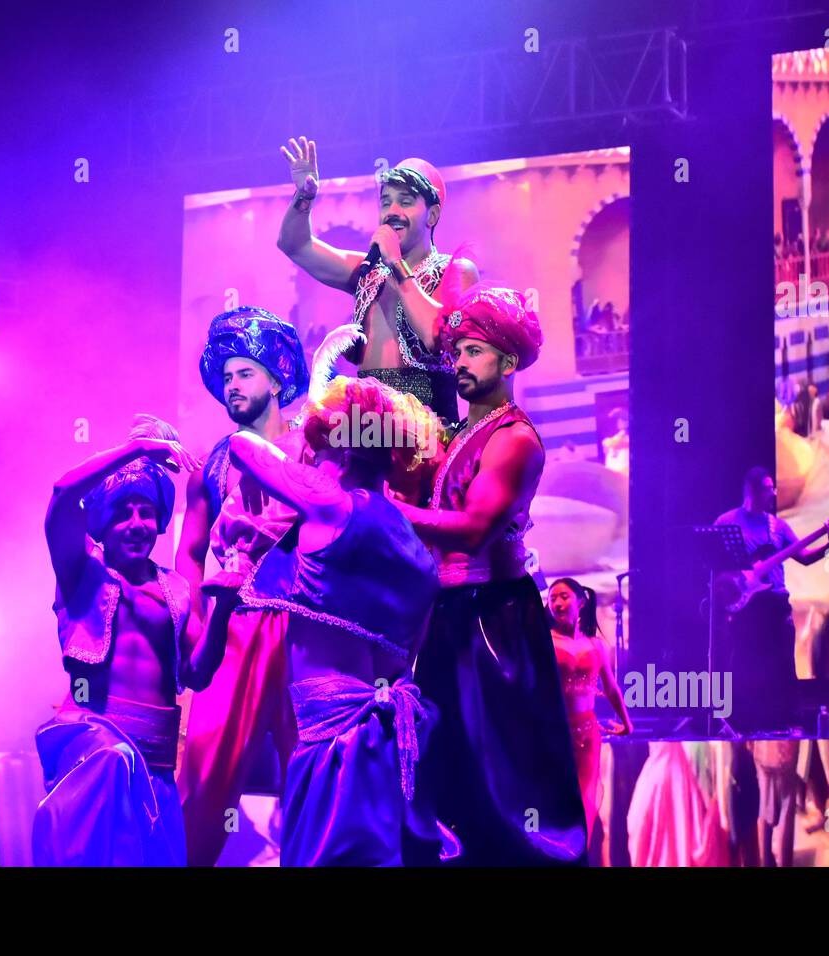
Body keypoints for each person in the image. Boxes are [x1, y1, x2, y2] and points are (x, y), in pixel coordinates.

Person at [205, 326, 443, 865]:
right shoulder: (416, 549)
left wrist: (308, 426)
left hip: (333, 745)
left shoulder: (331, 503)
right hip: (394, 740)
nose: (310, 453)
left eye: (320, 442)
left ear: (344, 446)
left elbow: (243, 446)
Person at [394, 285, 587, 866]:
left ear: (507, 362)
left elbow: (475, 527)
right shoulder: (462, 436)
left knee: (501, 767)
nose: (459, 363)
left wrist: (386, 509)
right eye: (456, 353)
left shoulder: (515, 439)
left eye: (474, 352)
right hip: (450, 614)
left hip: (495, 616)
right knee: (447, 761)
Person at [32, 415, 200, 866]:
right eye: (122, 511)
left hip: (160, 760)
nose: (136, 522)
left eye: (146, 511)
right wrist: (135, 451)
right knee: (113, 773)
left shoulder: (177, 588)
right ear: (102, 523)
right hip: (96, 743)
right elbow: (63, 495)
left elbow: (199, 673)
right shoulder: (81, 572)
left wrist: (224, 602)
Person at [175, 306, 310, 867]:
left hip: (307, 627)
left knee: (310, 765)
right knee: (204, 770)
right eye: (226, 376)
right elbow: (188, 550)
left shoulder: (316, 447)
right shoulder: (213, 462)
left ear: (276, 378)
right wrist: (193, 618)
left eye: (245, 373)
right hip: (233, 624)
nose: (232, 385)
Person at [276, 136, 478, 423]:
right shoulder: (367, 270)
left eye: (405, 202)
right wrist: (304, 197)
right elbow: (295, 245)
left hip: (433, 432)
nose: (392, 211)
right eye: (386, 202)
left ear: (432, 215)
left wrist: (397, 264)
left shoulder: (455, 270)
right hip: (369, 431)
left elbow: (438, 337)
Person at [714, 467, 829, 732]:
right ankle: (742, 723)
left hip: (775, 603)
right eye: (768, 488)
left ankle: (788, 723)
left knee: (784, 662)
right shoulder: (727, 522)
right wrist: (729, 583)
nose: (773, 492)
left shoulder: (778, 527)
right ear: (752, 490)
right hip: (747, 606)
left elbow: (805, 557)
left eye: (773, 487)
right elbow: (714, 562)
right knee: (744, 663)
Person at [547, 577, 632, 864]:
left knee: (584, 806)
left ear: (581, 602)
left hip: (587, 735)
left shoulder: (596, 645)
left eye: (564, 596)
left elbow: (611, 688)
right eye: (552, 597)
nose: (557, 603)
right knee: (558, 803)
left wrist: (627, 722)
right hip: (555, 733)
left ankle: (578, 859)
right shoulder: (544, 641)